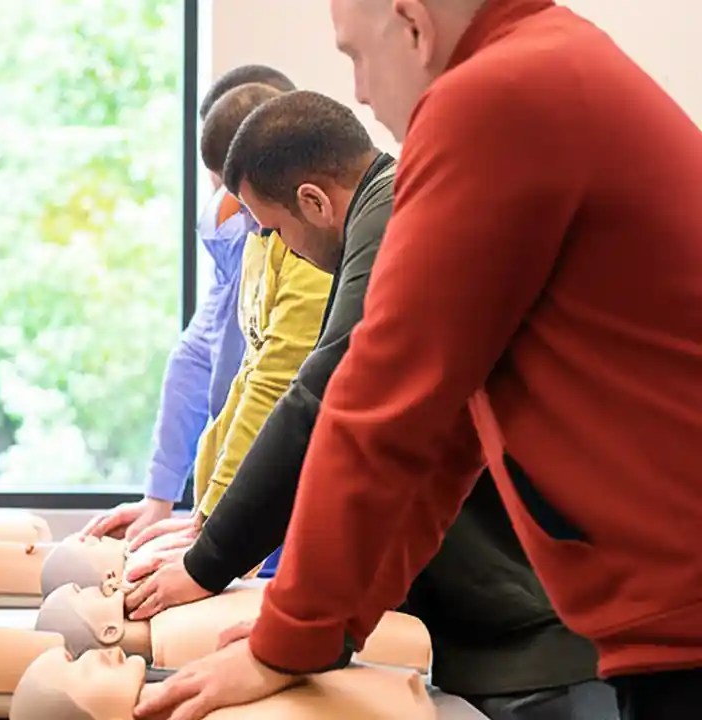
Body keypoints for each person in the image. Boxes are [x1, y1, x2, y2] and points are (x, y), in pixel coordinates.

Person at [134, 1, 702, 719]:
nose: (362, 93)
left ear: (412, 24)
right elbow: (443, 433)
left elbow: (374, 408)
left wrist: (288, 637)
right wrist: (323, 628)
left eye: (354, 57)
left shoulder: (495, 97)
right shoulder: (547, 66)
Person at [78, 65, 295, 542]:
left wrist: (209, 525)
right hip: (230, 497)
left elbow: (269, 387)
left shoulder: (299, 247)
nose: (225, 204)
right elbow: (199, 356)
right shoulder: (230, 225)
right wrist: (161, 499)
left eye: (234, 193)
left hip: (280, 492)